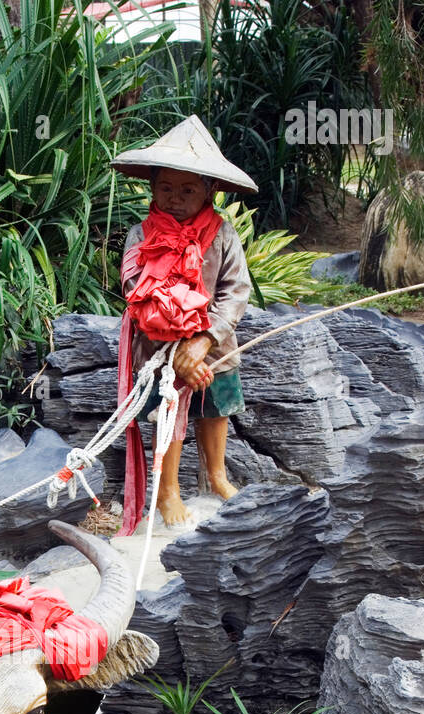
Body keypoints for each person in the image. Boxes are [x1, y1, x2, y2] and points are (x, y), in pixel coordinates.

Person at [112, 117, 258, 532]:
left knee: (216, 408)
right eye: (166, 188)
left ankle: (216, 476)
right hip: (159, 349)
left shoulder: (223, 236)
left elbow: (236, 292)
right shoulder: (140, 235)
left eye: (188, 190)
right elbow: (137, 291)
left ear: (210, 190)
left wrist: (206, 339)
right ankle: (168, 490)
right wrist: (179, 350)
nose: (175, 198)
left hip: (215, 350)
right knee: (167, 413)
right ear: (152, 188)